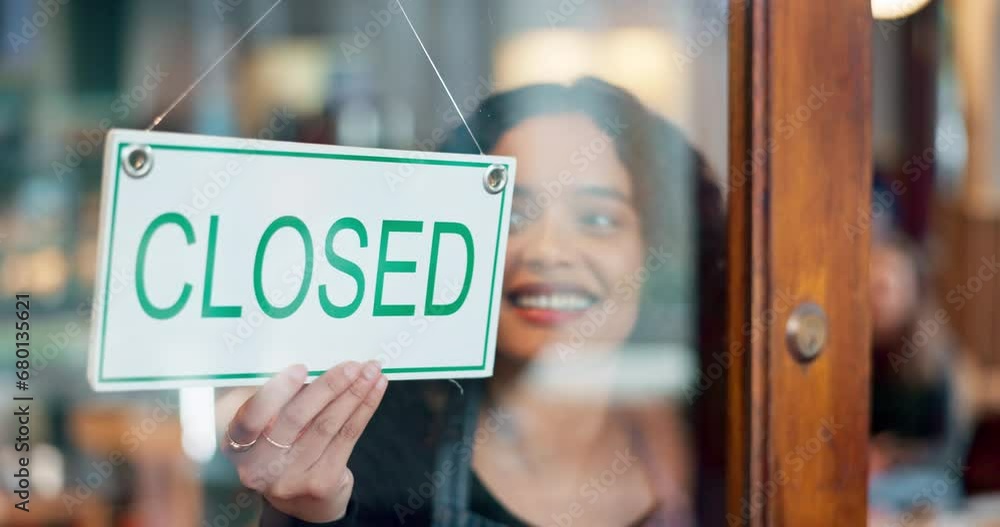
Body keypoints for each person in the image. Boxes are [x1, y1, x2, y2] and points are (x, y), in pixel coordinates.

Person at [221, 77, 725, 526]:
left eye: (597, 219)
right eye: (513, 213)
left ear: (657, 251)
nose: (548, 251)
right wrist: (303, 519)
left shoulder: (719, 428)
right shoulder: (369, 453)